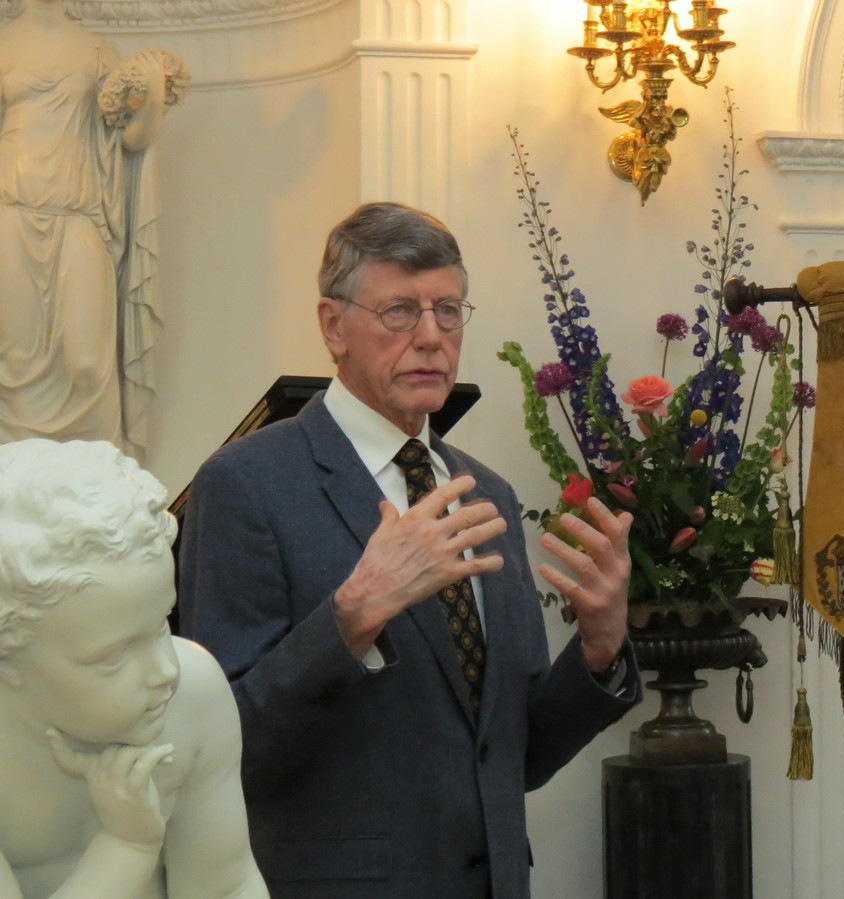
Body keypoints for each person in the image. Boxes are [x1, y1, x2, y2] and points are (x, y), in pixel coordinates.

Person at [177, 201, 639, 899]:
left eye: (448, 311)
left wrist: (599, 648)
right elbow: (225, 748)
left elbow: (516, 754)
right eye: (400, 312)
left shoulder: (487, 492)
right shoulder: (245, 484)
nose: (431, 337)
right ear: (333, 325)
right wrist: (353, 615)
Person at [0, 438, 269, 899]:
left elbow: (227, 885)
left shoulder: (194, 695)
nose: (165, 671)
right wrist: (127, 846)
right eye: (112, 656)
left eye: (163, 623)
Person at [0, 0, 181, 455]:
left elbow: (132, 141)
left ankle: (103, 484)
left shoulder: (98, 53)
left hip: (79, 216)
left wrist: (155, 97)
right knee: (11, 359)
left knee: (87, 361)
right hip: (11, 212)